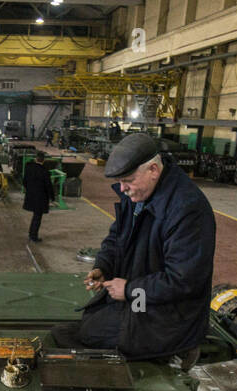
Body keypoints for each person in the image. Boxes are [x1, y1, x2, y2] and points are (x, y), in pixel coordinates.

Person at [53, 132, 216, 368]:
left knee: (87, 333)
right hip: (143, 300)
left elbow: (183, 281)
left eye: (128, 180)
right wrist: (103, 266)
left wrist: (130, 289)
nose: (123, 188)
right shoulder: (140, 194)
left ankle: (174, 353)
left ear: (153, 170)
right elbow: (116, 236)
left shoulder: (188, 211)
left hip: (170, 317)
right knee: (85, 322)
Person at [22, 153, 52, 243]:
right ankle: (33, 236)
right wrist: (51, 197)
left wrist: (30, 191)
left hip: (31, 196)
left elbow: (24, 182)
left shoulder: (29, 168)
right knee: (37, 217)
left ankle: (31, 233)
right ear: (44, 160)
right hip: (40, 198)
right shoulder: (45, 171)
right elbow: (48, 186)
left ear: (36, 159)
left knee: (35, 217)